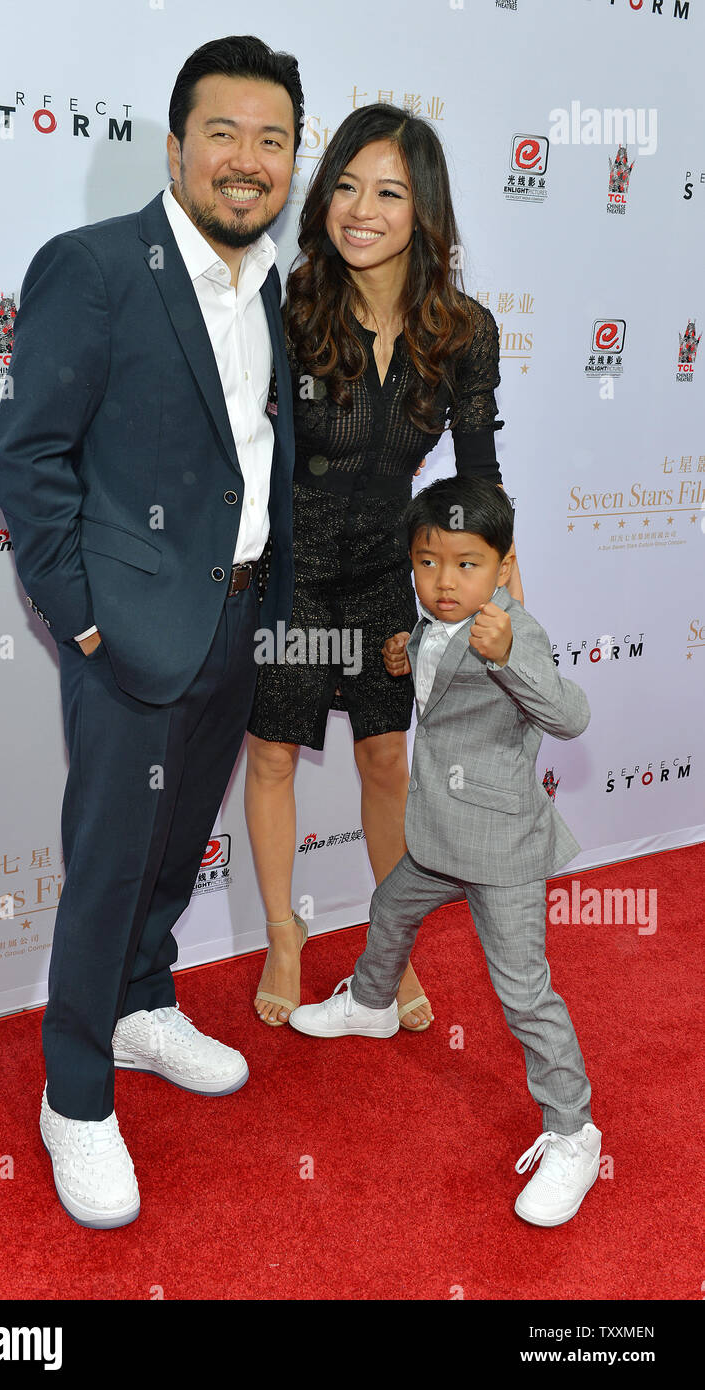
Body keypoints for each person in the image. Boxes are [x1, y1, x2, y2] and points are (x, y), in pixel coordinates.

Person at [0, 35, 303, 1229]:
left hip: (234, 616)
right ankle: (74, 1096)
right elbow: (27, 458)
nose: (245, 160)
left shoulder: (268, 279)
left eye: (270, 141)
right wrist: (77, 624)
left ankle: (139, 1001)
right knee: (113, 860)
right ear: (174, 147)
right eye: (221, 133)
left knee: (173, 851)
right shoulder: (95, 265)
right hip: (123, 634)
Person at [244, 103, 523, 1030]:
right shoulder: (290, 313)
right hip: (293, 570)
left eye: (389, 192)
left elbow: (478, 480)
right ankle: (284, 933)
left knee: (384, 761)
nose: (361, 208)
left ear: (423, 210)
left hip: (380, 577)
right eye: (348, 187)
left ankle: (385, 948)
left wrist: (510, 607)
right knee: (275, 751)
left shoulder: (463, 332)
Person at [289, 477, 601, 1227]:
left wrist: (507, 660)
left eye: (467, 564)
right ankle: (370, 1005)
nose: (445, 580)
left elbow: (570, 715)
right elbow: (444, 679)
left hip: (500, 849)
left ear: (503, 564)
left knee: (525, 995)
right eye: (428, 563)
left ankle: (573, 1132)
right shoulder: (433, 621)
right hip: (437, 838)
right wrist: (407, 657)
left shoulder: (512, 631)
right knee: (389, 906)